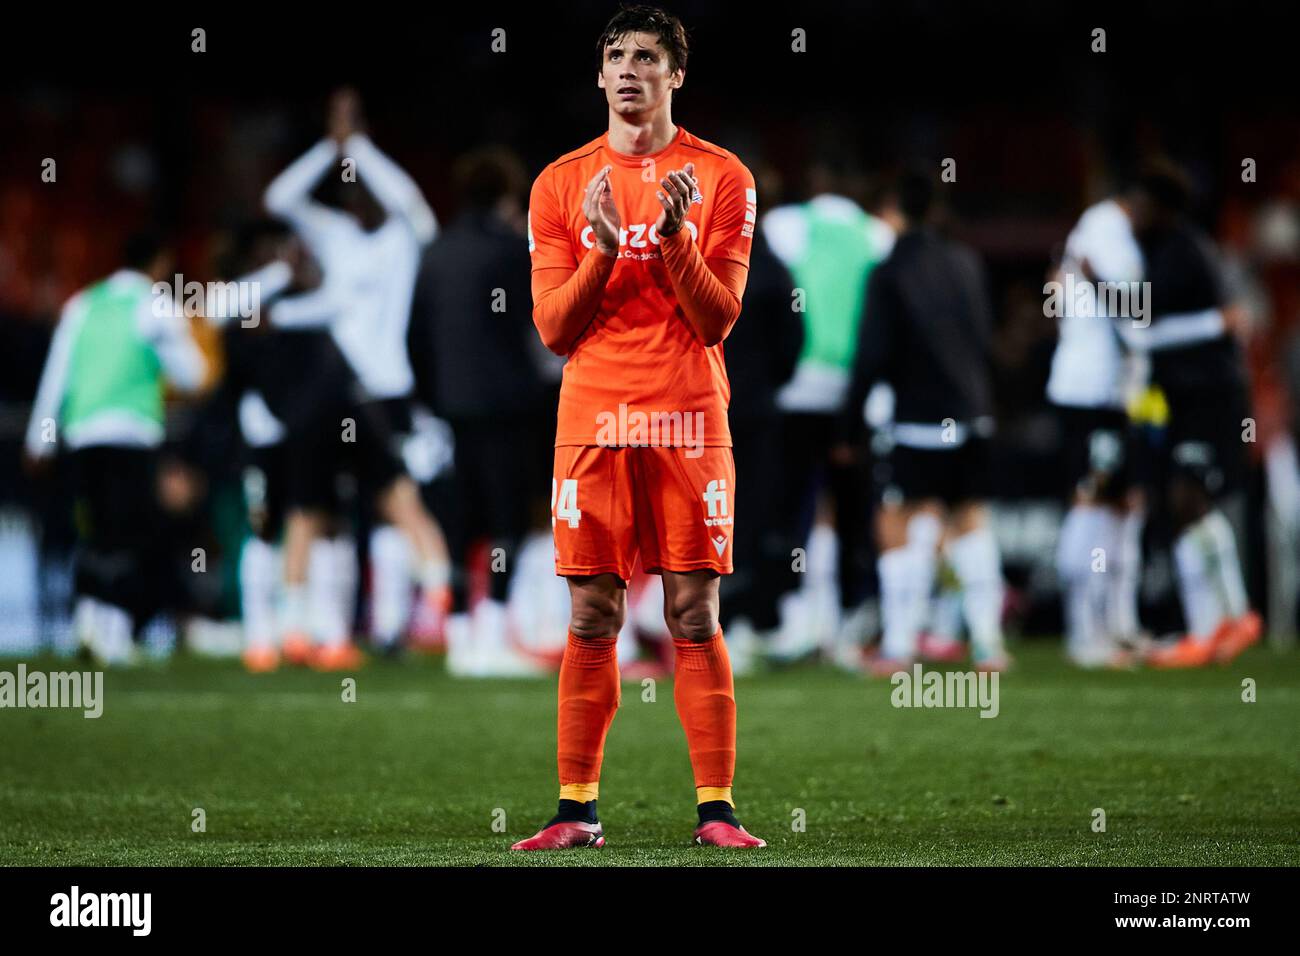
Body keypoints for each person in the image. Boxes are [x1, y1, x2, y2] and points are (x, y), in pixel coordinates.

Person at [512, 5, 764, 850]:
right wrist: (607, 254)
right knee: (590, 614)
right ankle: (575, 809)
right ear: (599, 74)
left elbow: (717, 319)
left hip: (690, 415)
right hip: (592, 419)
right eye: (615, 56)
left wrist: (671, 244)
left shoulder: (724, 177)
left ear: (675, 75)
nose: (628, 69)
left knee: (693, 610)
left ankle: (718, 811)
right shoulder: (558, 184)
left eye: (646, 57)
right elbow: (552, 328)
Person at [841, 167, 1010, 676]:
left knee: (895, 523)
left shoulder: (888, 270)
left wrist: (850, 428)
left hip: (915, 420)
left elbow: (871, 356)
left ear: (893, 208)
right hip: (972, 414)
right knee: (968, 521)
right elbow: (985, 339)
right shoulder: (965, 262)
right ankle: (989, 646)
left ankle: (897, 648)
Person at [24, 232, 208, 664]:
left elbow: (57, 378)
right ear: (160, 262)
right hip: (132, 433)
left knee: (95, 532)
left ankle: (88, 624)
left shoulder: (81, 304)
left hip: (83, 434)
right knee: (130, 535)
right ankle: (115, 633)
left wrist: (39, 441)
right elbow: (193, 376)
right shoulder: (156, 305)